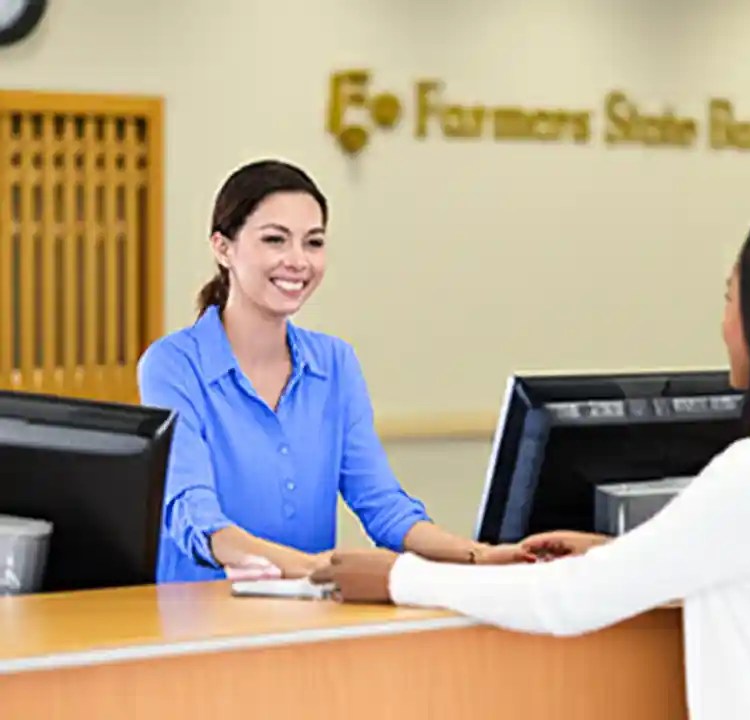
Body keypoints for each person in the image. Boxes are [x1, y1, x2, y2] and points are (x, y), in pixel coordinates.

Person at [313, 206, 750, 719]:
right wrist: (623, 554)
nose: (723, 322)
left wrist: (402, 577)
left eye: (731, 300)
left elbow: (569, 603)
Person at [138, 159, 531, 583]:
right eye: (275, 240)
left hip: (309, 619)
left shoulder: (335, 363)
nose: (297, 261)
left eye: (313, 242)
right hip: (198, 621)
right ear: (223, 248)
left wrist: (479, 555)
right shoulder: (173, 364)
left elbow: (383, 505)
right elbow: (195, 517)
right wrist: (317, 568)